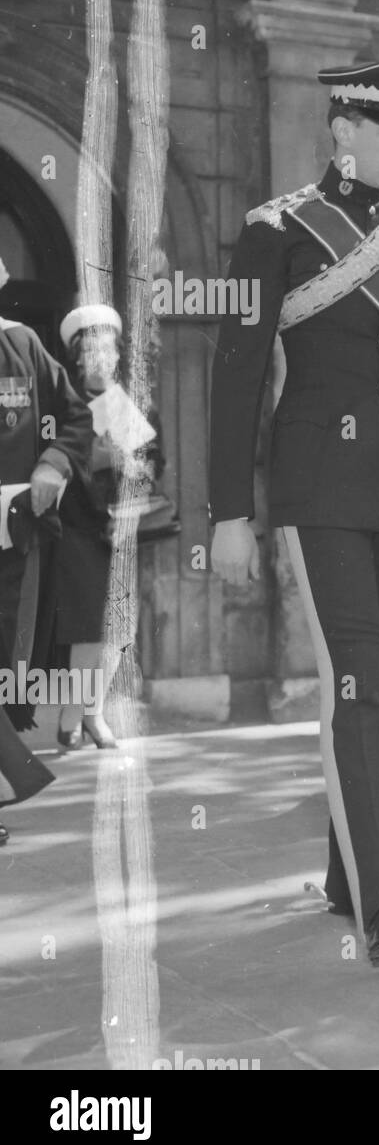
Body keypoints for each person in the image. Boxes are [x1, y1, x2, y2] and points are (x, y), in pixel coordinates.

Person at [208, 58, 379, 966]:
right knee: (354, 680)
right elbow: (238, 371)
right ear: (343, 130)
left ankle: (340, 870)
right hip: (321, 487)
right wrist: (229, 511)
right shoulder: (276, 231)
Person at [0, 287, 94, 845]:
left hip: (14, 535)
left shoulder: (22, 345)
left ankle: (15, 772)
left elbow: (75, 418)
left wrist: (53, 462)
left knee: (8, 664)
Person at [50, 304, 164, 751]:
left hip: (123, 527)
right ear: (77, 357)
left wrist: (132, 502)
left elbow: (153, 461)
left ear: (118, 354)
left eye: (107, 348)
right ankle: (73, 715)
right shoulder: (65, 403)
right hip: (79, 527)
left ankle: (93, 713)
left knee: (118, 629)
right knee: (86, 627)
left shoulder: (130, 402)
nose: (100, 356)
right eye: (90, 349)